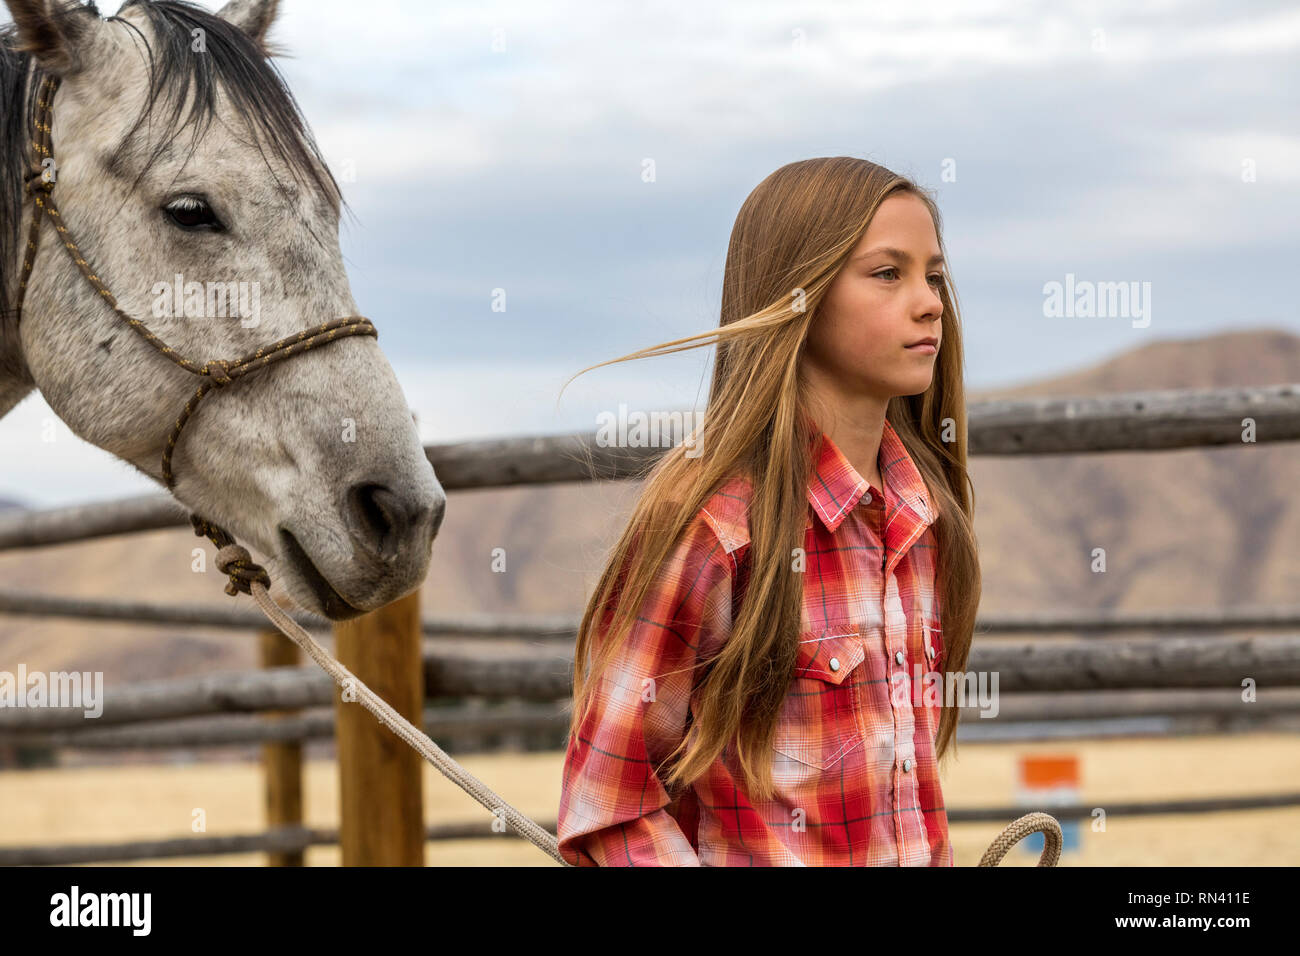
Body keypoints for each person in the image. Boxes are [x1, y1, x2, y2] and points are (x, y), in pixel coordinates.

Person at [556, 156, 980, 866]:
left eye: (933, 275)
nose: (930, 301)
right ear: (798, 295)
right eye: (888, 273)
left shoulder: (924, 522)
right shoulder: (714, 523)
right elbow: (608, 804)